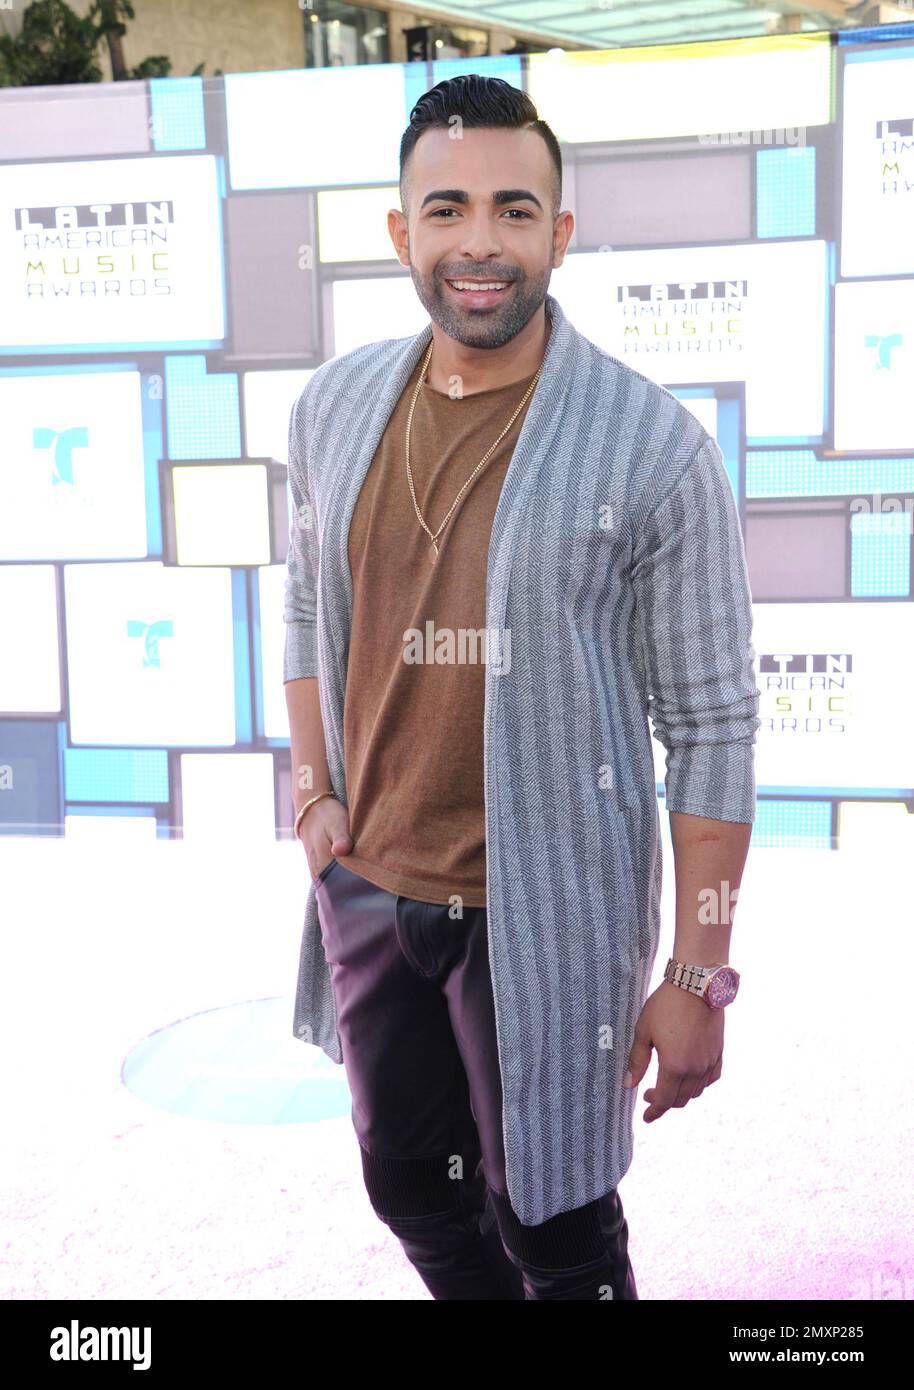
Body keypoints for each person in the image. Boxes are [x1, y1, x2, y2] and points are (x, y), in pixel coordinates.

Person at [283, 73, 760, 1300]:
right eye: (445, 210)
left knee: (550, 1217)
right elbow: (304, 606)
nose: (477, 242)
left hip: (544, 914)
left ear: (558, 230)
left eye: (511, 208)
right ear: (402, 233)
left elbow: (708, 726)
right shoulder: (334, 408)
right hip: (371, 893)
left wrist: (697, 974)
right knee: (409, 1189)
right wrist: (313, 798)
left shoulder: (649, 446)